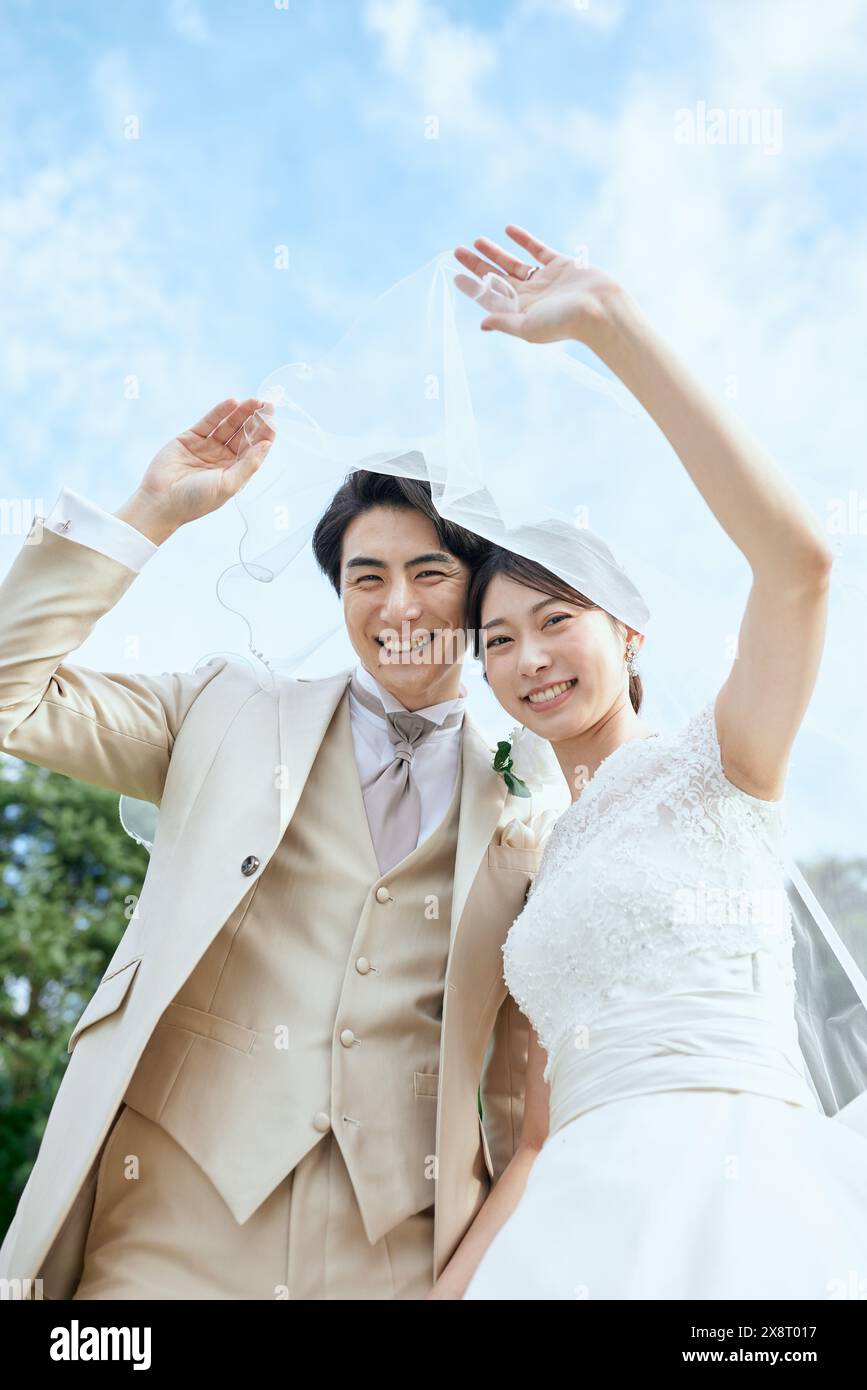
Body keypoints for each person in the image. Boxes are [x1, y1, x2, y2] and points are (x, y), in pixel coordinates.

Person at [0, 398, 551, 1299]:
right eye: (365, 577)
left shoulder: (531, 790)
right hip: (172, 1223)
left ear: (478, 586)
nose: (397, 603)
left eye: (429, 571)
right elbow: (7, 692)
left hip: (404, 1251)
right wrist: (150, 514)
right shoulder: (223, 713)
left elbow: (518, 1085)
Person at [423, 226, 867, 1299]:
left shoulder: (725, 764)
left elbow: (799, 565)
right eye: (495, 640)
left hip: (734, 1197)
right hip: (567, 1228)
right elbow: (533, 1141)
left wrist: (609, 328)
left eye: (556, 619)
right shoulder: (541, 869)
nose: (526, 658)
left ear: (628, 633)